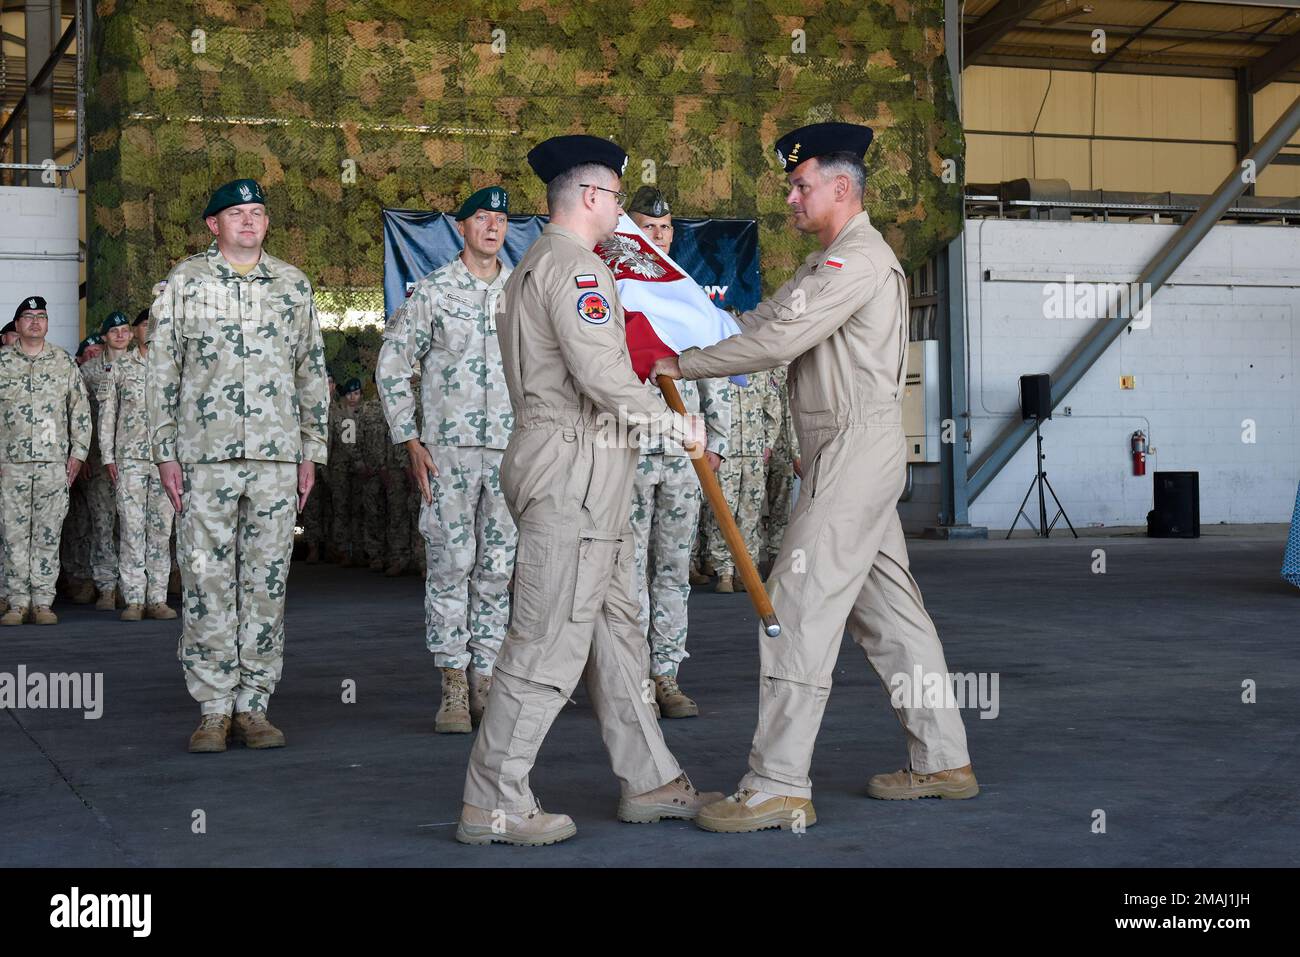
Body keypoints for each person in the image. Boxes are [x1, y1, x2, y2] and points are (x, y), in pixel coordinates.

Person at [652, 122, 978, 832]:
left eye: (800, 185)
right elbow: (760, 317)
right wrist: (676, 324)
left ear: (840, 186)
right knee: (893, 615)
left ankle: (777, 782)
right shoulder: (825, 261)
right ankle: (943, 757)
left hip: (854, 449)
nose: (790, 197)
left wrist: (680, 363)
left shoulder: (853, 260)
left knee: (794, 608)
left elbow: (774, 341)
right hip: (840, 448)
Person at [457, 136, 720, 846]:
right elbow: (602, 378)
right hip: (572, 464)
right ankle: (494, 798)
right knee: (546, 641)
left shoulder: (540, 265)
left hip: (583, 467)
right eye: (617, 198)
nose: (623, 212)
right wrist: (680, 429)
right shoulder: (575, 271)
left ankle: (650, 777)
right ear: (595, 198)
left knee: (616, 634)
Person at [148, 178, 330, 753]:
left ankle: (254, 705)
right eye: (236, 213)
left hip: (277, 460)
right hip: (205, 458)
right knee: (204, 581)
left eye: (257, 212)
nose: (249, 221)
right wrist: (163, 450)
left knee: (266, 583)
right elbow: (161, 373)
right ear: (213, 225)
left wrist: (311, 450)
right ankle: (213, 707)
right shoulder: (186, 283)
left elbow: (310, 371)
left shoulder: (293, 285)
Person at [377, 185, 516, 733]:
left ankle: (488, 676)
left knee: (498, 568)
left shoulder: (520, 293)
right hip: (447, 452)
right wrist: (409, 437)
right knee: (451, 563)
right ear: (462, 227)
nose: (491, 227)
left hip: (509, 450)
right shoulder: (434, 292)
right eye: (481, 218)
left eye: (500, 219)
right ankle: (454, 682)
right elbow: (392, 363)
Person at [624, 185, 730, 718]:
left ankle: (666, 674)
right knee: (627, 569)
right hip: (631, 451)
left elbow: (715, 373)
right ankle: (630, 677)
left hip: (685, 454)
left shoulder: (686, 297)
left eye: (665, 229)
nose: (658, 235)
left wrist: (720, 445)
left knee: (671, 568)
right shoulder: (617, 292)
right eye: (647, 227)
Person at [0, 296, 92, 626]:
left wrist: (78, 455)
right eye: (28, 316)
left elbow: (79, 413)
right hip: (11, 465)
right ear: (18, 324)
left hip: (53, 465)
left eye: (41, 316)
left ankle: (42, 602)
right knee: (13, 535)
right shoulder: (3, 363)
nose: (36, 322)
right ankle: (16, 603)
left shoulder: (63, 363)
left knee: (48, 535)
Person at [100, 309, 176, 621]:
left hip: (164, 461)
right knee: (131, 529)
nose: (152, 329)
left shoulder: (173, 368)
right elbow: (108, 414)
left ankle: (157, 597)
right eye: (146, 324)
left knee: (161, 530)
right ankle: (133, 598)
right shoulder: (119, 367)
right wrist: (108, 456)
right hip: (129, 459)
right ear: (136, 331)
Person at [81, 311, 132, 610]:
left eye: (126, 330)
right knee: (101, 524)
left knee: (129, 527)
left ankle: (130, 586)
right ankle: (105, 586)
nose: (122, 335)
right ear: (104, 337)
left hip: (133, 462)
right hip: (100, 462)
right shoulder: (88, 372)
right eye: (115, 331)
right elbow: (79, 417)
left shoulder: (143, 368)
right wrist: (83, 455)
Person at [329, 378, 364, 565]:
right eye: (350, 393)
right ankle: (342, 550)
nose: (353, 397)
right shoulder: (341, 414)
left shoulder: (363, 412)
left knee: (357, 509)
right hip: (341, 468)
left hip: (359, 468)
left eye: (357, 393)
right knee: (341, 509)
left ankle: (358, 549)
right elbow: (347, 442)